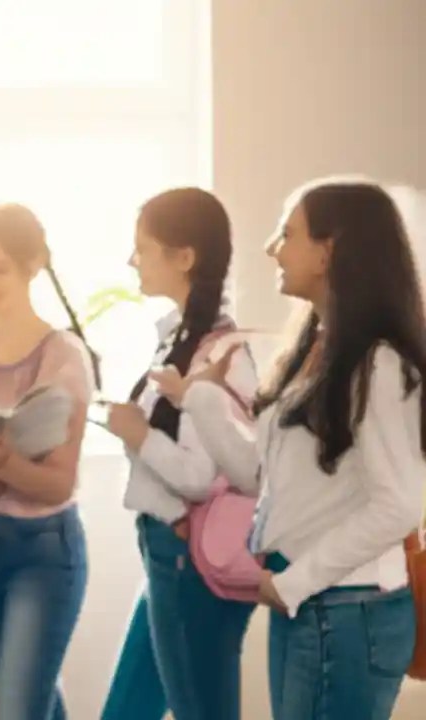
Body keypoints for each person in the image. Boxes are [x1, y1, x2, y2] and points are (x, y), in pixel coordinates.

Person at [156, 178, 426, 720]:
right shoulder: (319, 348)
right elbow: (261, 476)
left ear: (329, 250)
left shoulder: (378, 364)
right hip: (315, 605)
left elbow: (399, 505)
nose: (271, 247)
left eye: (288, 233)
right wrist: (203, 399)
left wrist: (292, 583)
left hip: (347, 609)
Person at [98, 188, 258, 720]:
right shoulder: (180, 340)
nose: (131, 261)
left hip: (187, 563)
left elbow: (198, 476)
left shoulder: (220, 354)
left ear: (184, 258)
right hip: (164, 554)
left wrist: (137, 434)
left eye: (143, 248)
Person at [0, 203, 96, 720]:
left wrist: (5, 463)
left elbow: (58, 485)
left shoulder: (63, 355)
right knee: (30, 705)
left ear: (32, 264)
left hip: (44, 551)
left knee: (17, 710)